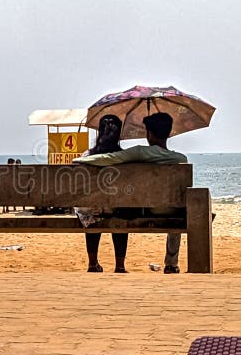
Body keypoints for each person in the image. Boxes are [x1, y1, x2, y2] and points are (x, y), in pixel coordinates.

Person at [74, 112, 187, 274]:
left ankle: (94, 263)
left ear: (148, 134)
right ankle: (171, 263)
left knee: (121, 205)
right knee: (179, 211)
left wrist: (80, 160)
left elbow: (109, 158)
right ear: (169, 133)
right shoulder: (180, 159)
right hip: (173, 210)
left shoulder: (140, 153)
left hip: (148, 209)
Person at [75, 114, 129, 273]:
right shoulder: (124, 158)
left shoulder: (86, 156)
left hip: (90, 212)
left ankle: (92, 263)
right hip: (114, 210)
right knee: (121, 211)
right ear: (118, 134)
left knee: (91, 209)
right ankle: (120, 265)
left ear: (99, 132)